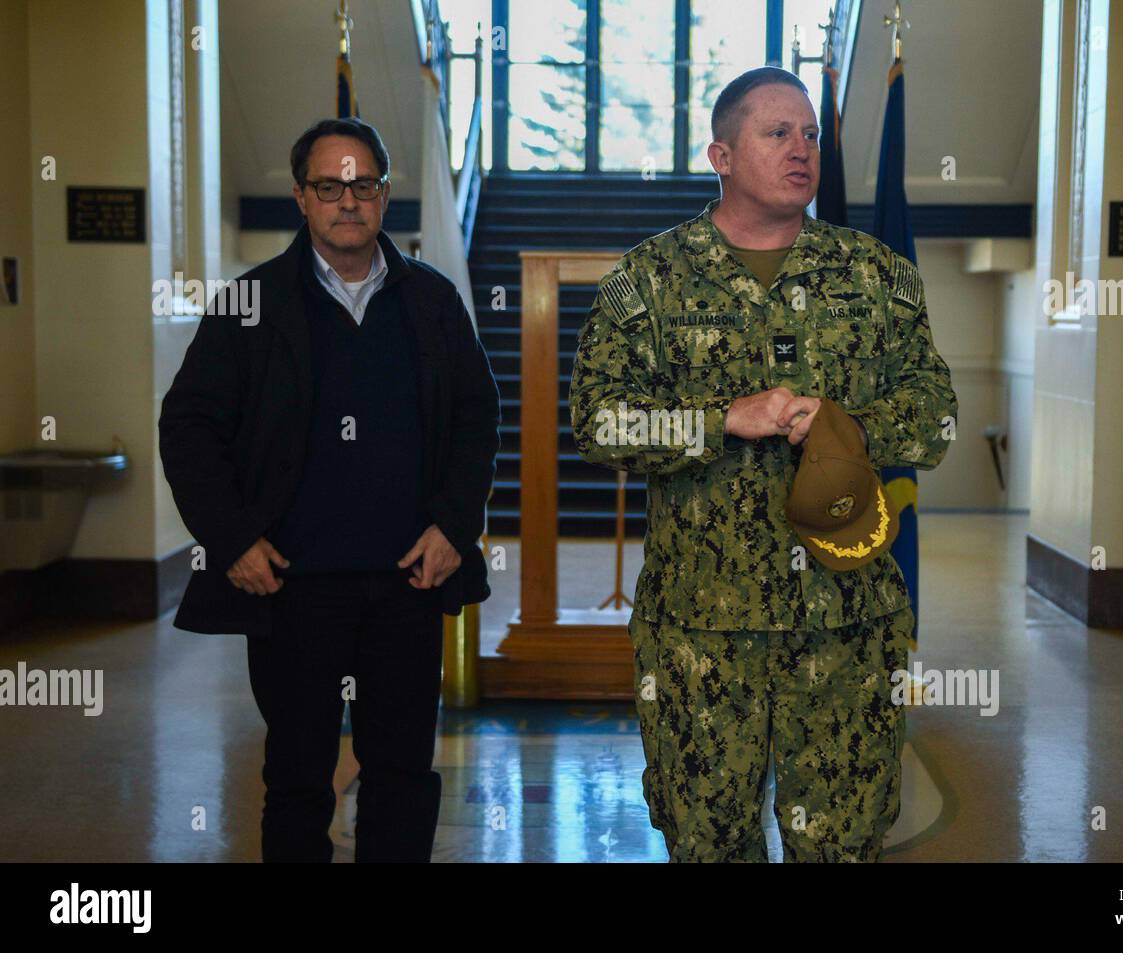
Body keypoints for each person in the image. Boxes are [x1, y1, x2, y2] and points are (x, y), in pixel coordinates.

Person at [569, 67, 957, 862]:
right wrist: (721, 421)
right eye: (777, 133)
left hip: (846, 621)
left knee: (840, 846)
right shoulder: (648, 280)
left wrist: (849, 424)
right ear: (721, 153)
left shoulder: (876, 276)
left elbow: (936, 414)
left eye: (812, 134)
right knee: (709, 842)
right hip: (701, 633)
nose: (802, 149)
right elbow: (599, 423)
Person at [158, 117, 499, 862]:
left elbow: (477, 417)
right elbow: (187, 428)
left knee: (403, 774)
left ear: (384, 194)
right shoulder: (250, 305)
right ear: (301, 197)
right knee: (298, 781)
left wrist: (453, 524)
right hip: (290, 587)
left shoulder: (432, 301)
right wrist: (231, 538)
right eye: (329, 186)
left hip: (409, 580)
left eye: (363, 184)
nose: (349, 200)